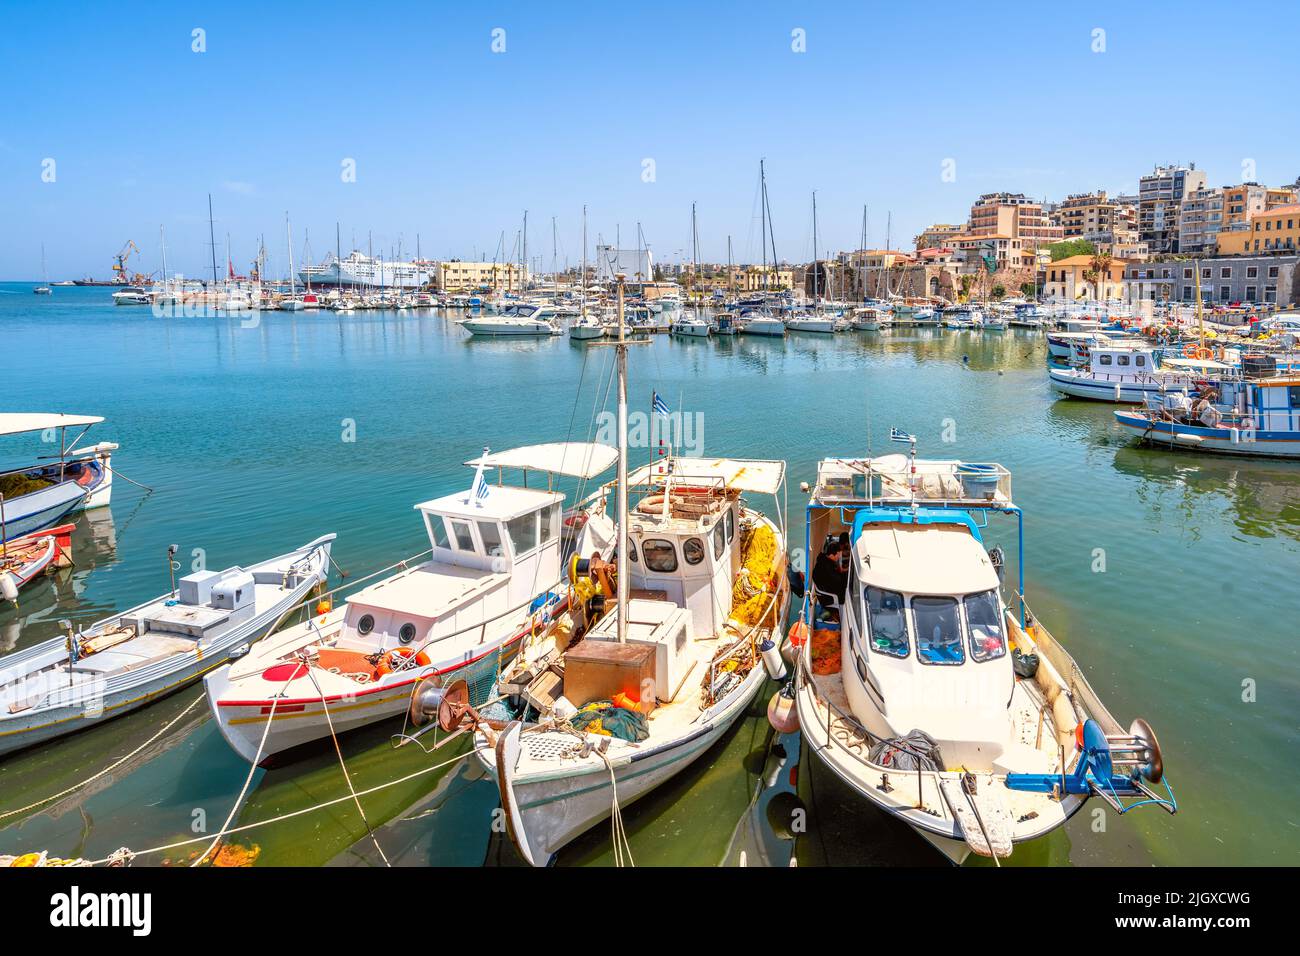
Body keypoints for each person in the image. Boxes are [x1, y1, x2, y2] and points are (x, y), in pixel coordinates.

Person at [812, 541, 848, 618]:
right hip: (827, 597)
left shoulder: (823, 560)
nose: (839, 557)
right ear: (832, 555)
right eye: (838, 555)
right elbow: (839, 583)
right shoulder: (827, 568)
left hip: (824, 588)